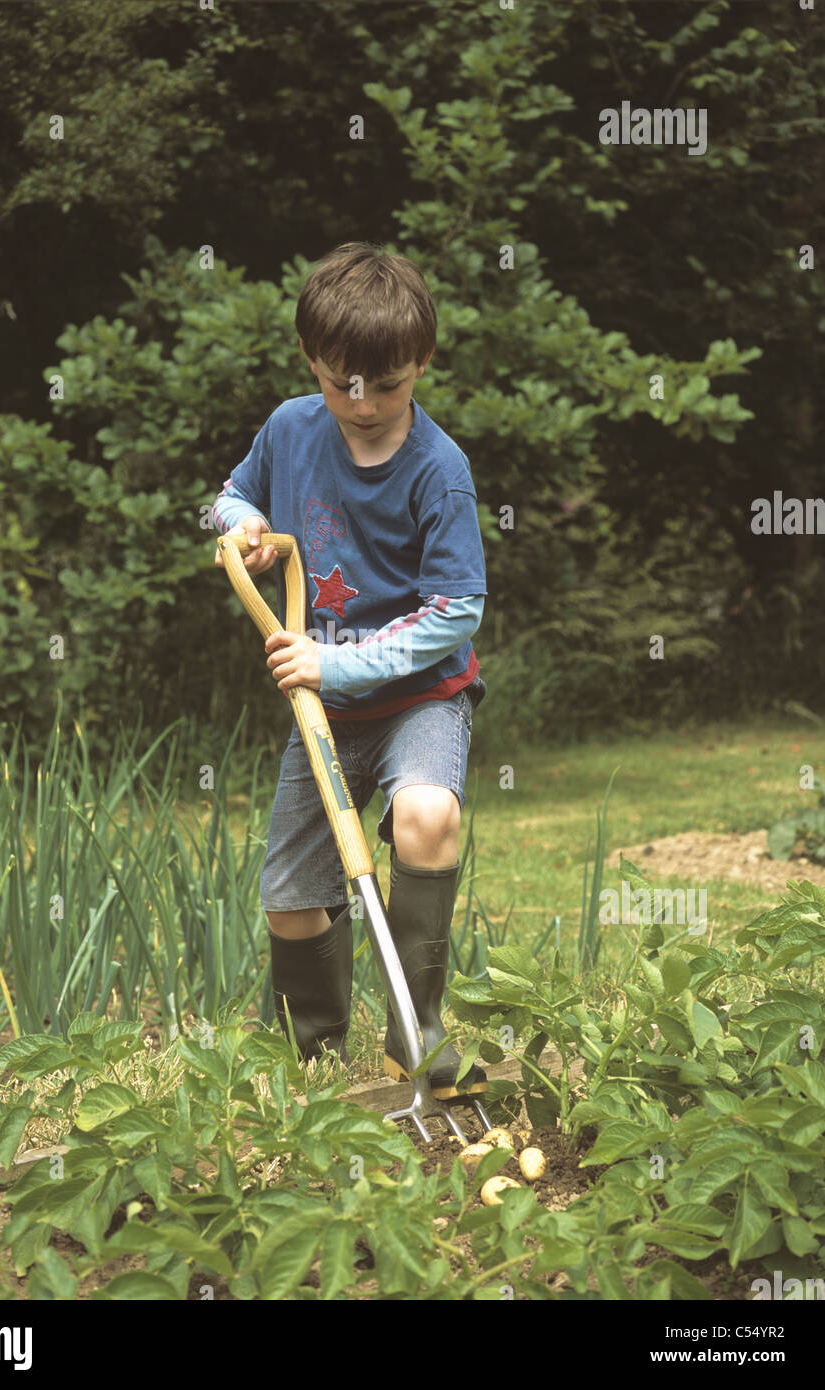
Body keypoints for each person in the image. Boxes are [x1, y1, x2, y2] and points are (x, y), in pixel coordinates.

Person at [213, 241, 488, 1098]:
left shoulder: (439, 474)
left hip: (418, 703)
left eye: (388, 384)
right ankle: (322, 1062)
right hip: (323, 714)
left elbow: (455, 612)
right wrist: (242, 528)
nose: (362, 405)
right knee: (291, 900)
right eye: (342, 383)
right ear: (312, 362)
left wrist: (334, 661)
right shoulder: (291, 429)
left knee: (428, 815)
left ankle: (418, 1033)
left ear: (423, 364)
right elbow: (229, 494)